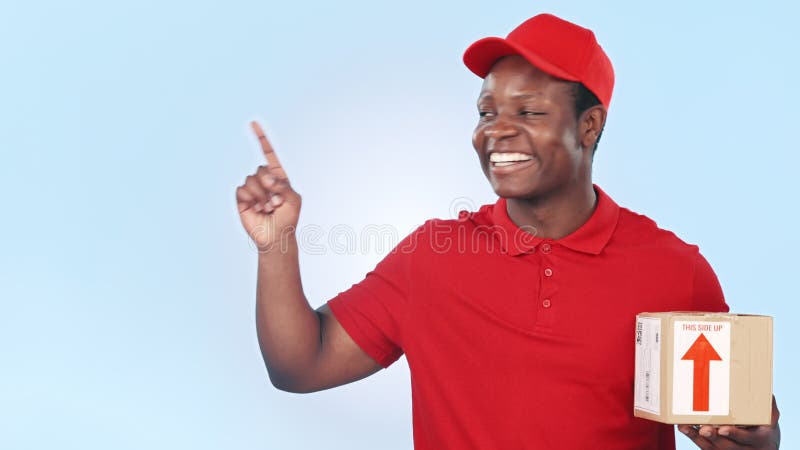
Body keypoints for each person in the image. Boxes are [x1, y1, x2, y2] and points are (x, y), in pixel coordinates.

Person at [235, 13, 780, 450]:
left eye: (529, 111)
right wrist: (276, 244)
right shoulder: (431, 258)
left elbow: (734, 429)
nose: (497, 130)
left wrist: (757, 440)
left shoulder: (674, 271)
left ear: (588, 127)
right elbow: (300, 365)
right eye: (486, 110)